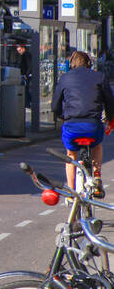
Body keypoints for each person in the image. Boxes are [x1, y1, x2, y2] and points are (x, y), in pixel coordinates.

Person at [51, 49, 114, 193]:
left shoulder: (65, 78)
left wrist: (62, 116)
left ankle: (71, 192)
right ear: (89, 64)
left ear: (71, 64)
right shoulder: (99, 76)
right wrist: (109, 119)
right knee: (96, 146)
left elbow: (55, 105)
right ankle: (97, 177)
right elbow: (110, 102)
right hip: (92, 125)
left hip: (72, 125)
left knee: (71, 155)